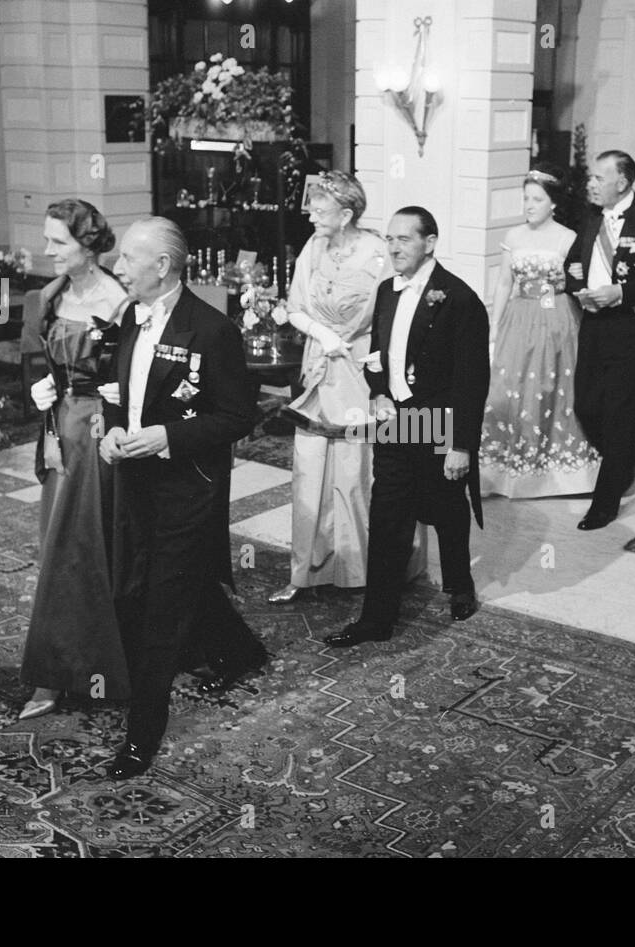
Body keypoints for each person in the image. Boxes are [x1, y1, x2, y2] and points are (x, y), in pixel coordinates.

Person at [100, 217, 265, 779]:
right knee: (166, 581)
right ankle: (241, 651)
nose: (118, 266)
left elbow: (238, 416)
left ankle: (141, 736)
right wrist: (112, 429)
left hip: (188, 487)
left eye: (129, 258)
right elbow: (120, 391)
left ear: (163, 266)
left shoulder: (212, 330)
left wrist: (167, 436)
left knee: (159, 608)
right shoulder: (130, 315)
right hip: (135, 480)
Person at [325, 207, 490, 647]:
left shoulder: (460, 299)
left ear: (429, 243)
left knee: (447, 510)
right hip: (394, 423)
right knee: (386, 519)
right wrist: (379, 392)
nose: (394, 247)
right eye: (390, 239)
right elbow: (377, 354)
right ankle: (375, 620)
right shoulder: (386, 291)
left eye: (404, 239)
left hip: (437, 423)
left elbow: (472, 382)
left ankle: (459, 585)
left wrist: (461, 446)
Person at [269, 171, 424, 602]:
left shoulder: (377, 252)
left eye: (320, 210)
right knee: (310, 467)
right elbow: (295, 307)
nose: (311, 216)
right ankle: (309, 569)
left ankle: (367, 568)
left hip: (361, 368)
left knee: (358, 469)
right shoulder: (312, 247)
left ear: (346, 214)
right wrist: (323, 336)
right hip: (320, 365)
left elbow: (394, 312)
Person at [19, 199, 130, 720]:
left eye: (58, 241)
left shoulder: (120, 302)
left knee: (86, 546)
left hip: (99, 432)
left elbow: (135, 377)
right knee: (56, 544)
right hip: (59, 428)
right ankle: (60, 665)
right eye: (47, 239)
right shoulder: (50, 296)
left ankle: (83, 668)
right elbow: (41, 362)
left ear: (88, 245)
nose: (47, 250)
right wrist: (40, 389)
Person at [562, 150, 635, 530]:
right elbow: (572, 264)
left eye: (599, 177)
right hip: (595, 324)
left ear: (623, 182)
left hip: (634, 326)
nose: (591, 183)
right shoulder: (592, 217)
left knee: (618, 414)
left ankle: (605, 503)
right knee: (586, 406)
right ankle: (626, 450)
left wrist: (621, 292)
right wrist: (579, 289)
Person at [481, 164, 601, 498]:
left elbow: (577, 282)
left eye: (537, 199)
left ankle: (554, 471)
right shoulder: (513, 236)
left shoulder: (567, 238)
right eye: (526, 199)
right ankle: (505, 470)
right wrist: (495, 325)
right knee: (508, 388)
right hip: (518, 319)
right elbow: (504, 283)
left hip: (556, 319)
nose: (529, 206)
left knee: (553, 388)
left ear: (554, 203)